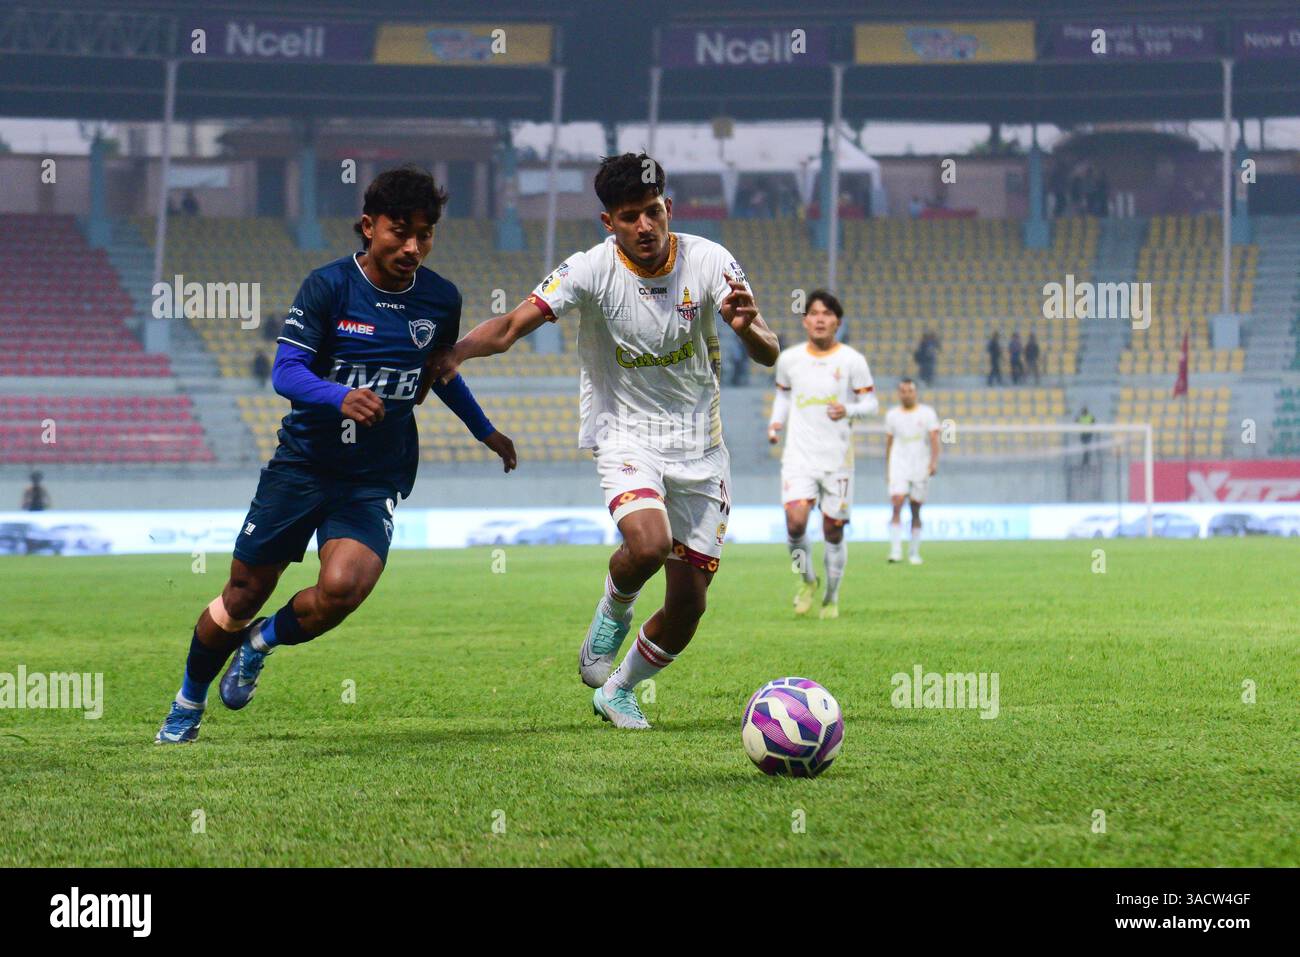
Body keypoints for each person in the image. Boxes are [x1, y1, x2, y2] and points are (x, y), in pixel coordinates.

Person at [154, 166, 518, 744]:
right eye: (400, 231)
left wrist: (484, 430)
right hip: (303, 466)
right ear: (368, 226)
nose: (413, 246)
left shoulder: (441, 299)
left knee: (344, 588)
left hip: (374, 475)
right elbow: (286, 372)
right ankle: (186, 703)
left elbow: (439, 372)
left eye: (425, 234)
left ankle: (259, 644)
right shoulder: (327, 287)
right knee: (242, 594)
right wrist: (339, 395)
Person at [425, 152, 779, 730]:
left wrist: (751, 329)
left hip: (702, 446)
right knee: (647, 545)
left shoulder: (710, 259)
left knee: (689, 606)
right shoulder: (589, 269)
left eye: (655, 212)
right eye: (631, 216)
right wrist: (457, 352)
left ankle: (617, 690)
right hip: (626, 435)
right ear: (608, 222)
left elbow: (769, 351)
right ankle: (612, 611)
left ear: (669, 208)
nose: (646, 226)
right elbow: (513, 326)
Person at [767, 290, 877, 620]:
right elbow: (783, 397)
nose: (819, 318)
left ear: (837, 322)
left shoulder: (852, 361)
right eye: (814, 313)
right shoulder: (790, 360)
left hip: (838, 460)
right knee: (795, 521)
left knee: (833, 530)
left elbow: (871, 405)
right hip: (798, 458)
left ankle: (831, 594)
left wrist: (850, 409)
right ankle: (807, 580)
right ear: (805, 320)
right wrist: (775, 423)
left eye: (827, 314)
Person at [884, 379, 940, 565]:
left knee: (916, 508)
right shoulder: (892, 415)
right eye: (903, 391)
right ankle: (895, 550)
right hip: (898, 465)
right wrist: (888, 468)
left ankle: (914, 552)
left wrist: (933, 462)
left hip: (920, 465)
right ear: (899, 394)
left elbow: (934, 439)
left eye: (909, 391)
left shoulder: (927, 413)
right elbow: (889, 442)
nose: (906, 394)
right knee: (897, 503)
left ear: (915, 393)